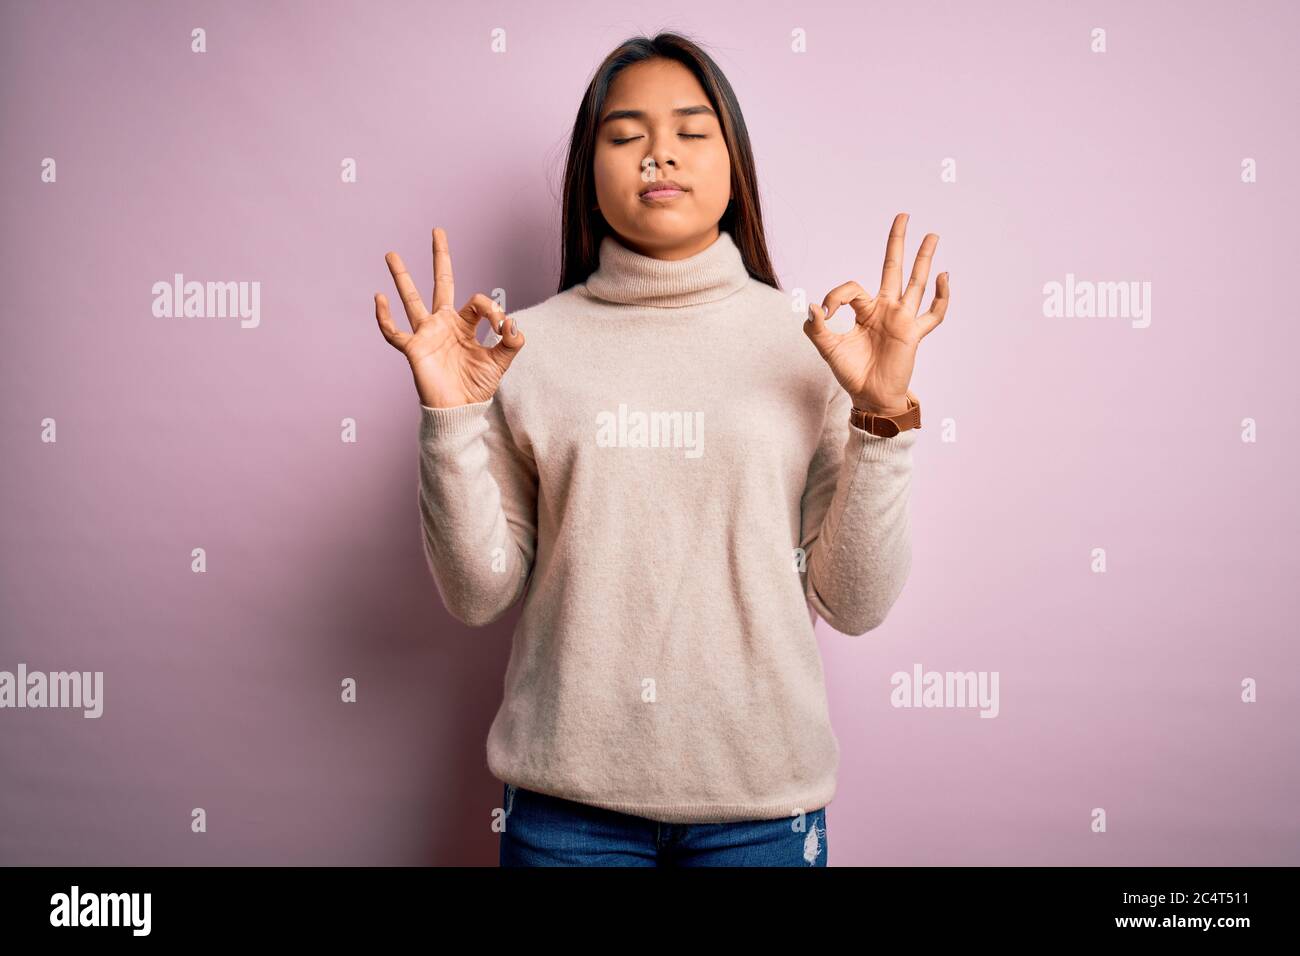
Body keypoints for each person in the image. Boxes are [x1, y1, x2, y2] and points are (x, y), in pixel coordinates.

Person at [373, 32, 949, 867]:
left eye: (690, 130)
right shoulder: (518, 347)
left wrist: (883, 413)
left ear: (733, 162)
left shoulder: (814, 345)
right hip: (565, 811)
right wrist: (450, 419)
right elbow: (477, 595)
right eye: (624, 134)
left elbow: (853, 603)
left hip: (764, 807)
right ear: (590, 169)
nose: (657, 154)